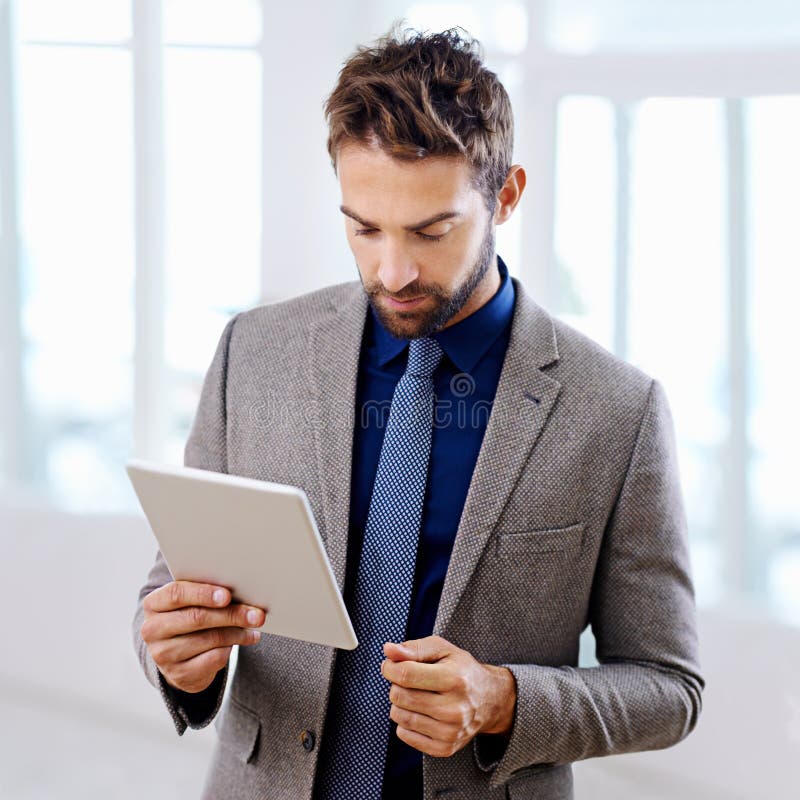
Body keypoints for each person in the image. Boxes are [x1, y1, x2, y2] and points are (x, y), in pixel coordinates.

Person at [132, 25, 703, 800]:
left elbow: (670, 687)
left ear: (506, 195)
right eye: (363, 228)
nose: (393, 271)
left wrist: (504, 699)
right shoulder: (253, 353)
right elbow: (173, 589)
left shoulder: (616, 411)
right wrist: (176, 656)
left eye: (432, 232)